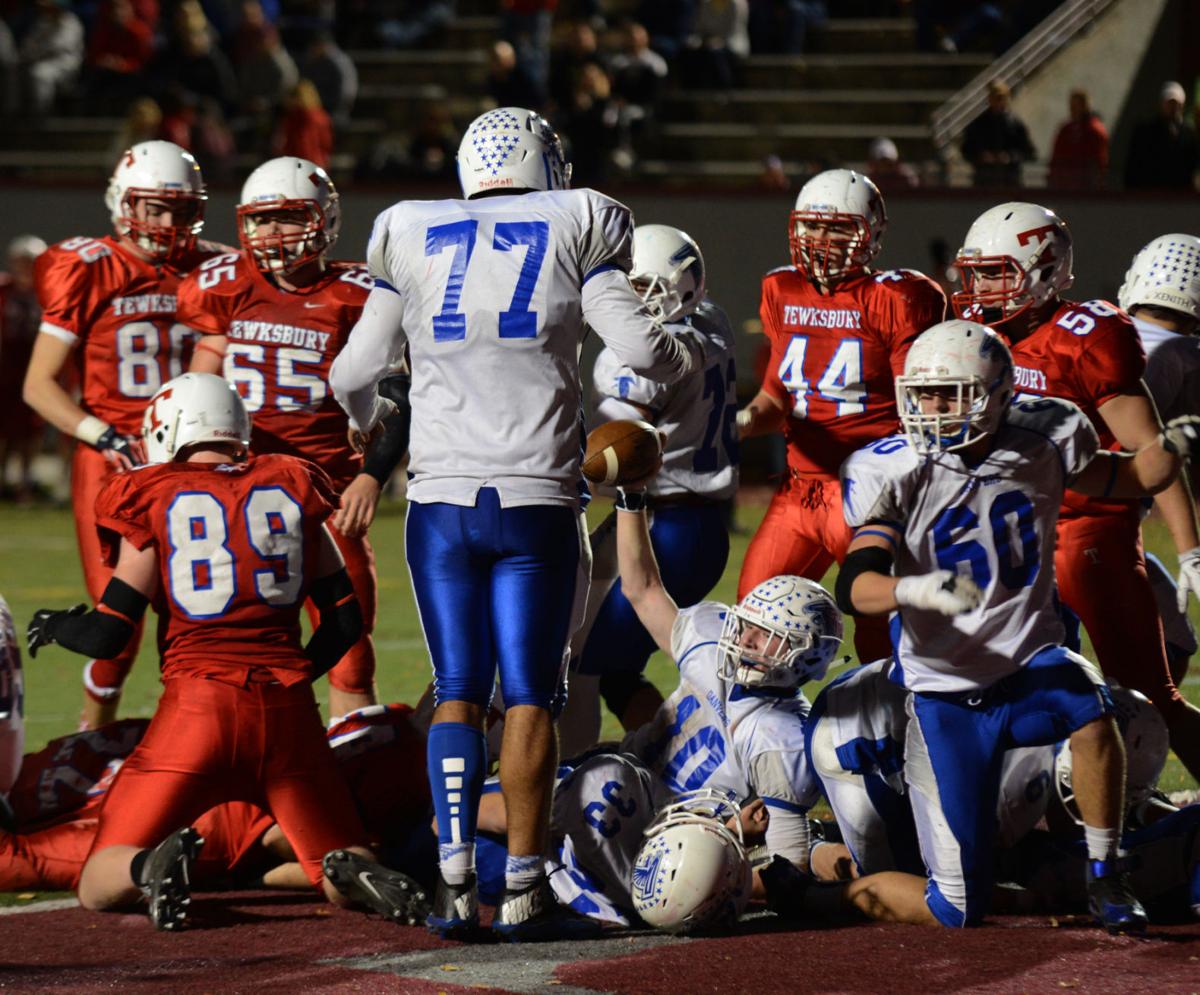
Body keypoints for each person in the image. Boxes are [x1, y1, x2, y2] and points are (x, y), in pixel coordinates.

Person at [327, 106, 701, 941]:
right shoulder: (578, 217)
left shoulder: (406, 227)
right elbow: (641, 353)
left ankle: (456, 884)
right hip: (537, 496)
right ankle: (527, 889)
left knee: (458, 687)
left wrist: (360, 418)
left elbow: (354, 368)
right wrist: (681, 367)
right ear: (545, 162)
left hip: (441, 500)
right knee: (533, 692)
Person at [833, 318, 1199, 931]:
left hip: (1028, 663)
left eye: (951, 394)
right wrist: (913, 587)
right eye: (923, 394)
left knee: (1092, 708)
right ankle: (815, 895)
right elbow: (855, 586)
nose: (932, 408)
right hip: (946, 697)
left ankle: (1105, 875)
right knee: (957, 907)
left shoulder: (1048, 434)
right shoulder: (888, 468)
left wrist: (1171, 448)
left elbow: (1126, 477)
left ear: (999, 393)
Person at [23, 373, 401, 931]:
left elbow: (109, 633)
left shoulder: (152, 493)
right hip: (288, 713)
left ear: (169, 430)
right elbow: (343, 623)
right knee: (336, 861)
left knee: (101, 879)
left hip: (195, 713)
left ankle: (150, 865)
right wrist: (294, 675)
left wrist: (56, 626)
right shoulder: (293, 480)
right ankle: (350, 871)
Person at [952, 203, 1200, 779]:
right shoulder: (974, 336)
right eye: (978, 272)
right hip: (1005, 532)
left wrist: (1188, 547)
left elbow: (1149, 452)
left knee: (1145, 690)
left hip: (1086, 533)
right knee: (1000, 693)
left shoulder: (1088, 336)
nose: (983, 287)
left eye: (998, 272)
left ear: (1044, 271)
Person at [180, 156, 407, 719]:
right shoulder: (226, 287)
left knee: (351, 645)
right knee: (238, 640)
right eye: (260, 220)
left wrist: (370, 475)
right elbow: (199, 391)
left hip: (326, 493)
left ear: (324, 219)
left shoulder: (359, 294)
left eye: (286, 217)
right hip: (242, 495)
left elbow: (401, 397)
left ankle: (356, 766)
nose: (271, 233)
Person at [22, 140, 225, 730]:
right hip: (117, 465)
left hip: (196, 464)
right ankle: (93, 737)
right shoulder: (90, 266)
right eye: (152, 208)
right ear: (122, 203)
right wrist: (104, 435)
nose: (166, 223)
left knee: (199, 618)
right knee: (120, 623)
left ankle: (191, 741)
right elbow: (38, 384)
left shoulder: (215, 268)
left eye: (179, 209)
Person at [735, 168, 945, 664]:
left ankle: (886, 739)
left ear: (871, 234)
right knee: (753, 624)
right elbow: (776, 397)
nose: (821, 240)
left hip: (865, 496)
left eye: (838, 228)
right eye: (812, 226)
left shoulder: (895, 299)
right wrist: (741, 422)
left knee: (880, 643)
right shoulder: (781, 290)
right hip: (797, 491)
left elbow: (917, 413)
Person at [613, 466, 843, 875]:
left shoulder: (781, 739)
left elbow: (788, 870)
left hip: (674, 845)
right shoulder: (712, 644)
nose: (746, 640)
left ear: (805, 657)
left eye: (766, 635)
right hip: (624, 783)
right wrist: (631, 496)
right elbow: (642, 588)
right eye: (748, 625)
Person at [564, 224, 738, 753]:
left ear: (682, 290)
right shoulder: (713, 322)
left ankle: (572, 778)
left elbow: (612, 457)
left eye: (642, 289)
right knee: (617, 670)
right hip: (696, 524)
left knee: (581, 665)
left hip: (663, 527)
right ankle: (679, 766)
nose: (628, 301)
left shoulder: (639, 360)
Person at [1, 702, 433, 897]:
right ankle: (152, 867)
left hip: (179, 741)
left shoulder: (389, 717)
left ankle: (155, 866)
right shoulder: (413, 771)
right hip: (246, 787)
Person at [1119, 233, 1200, 687]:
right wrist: (1192, 550)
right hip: (1099, 531)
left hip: (1035, 515)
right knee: (1171, 647)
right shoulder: (1187, 356)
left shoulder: (1100, 327)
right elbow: (1170, 455)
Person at [0, 235, 48, 502]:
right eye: (20, 261)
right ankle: (5, 479)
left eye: (28, 261)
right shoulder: (4, 289)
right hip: (6, 365)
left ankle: (25, 481)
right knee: (4, 428)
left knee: (31, 430)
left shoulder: (47, 290)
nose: (23, 267)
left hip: (36, 362)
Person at [1124, 81, 1199, 191]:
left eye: (1176, 103)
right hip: (1152, 194)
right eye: (1169, 103)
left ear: (1182, 105)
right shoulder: (1145, 132)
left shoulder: (1189, 134)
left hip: (1180, 196)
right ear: (1161, 104)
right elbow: (1134, 167)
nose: (1173, 107)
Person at [961, 80, 1035, 188]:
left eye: (1001, 98)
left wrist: (1009, 157)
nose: (998, 102)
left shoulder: (1015, 124)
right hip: (984, 180)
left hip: (1009, 181)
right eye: (994, 98)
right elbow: (966, 150)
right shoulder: (978, 124)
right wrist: (981, 156)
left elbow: (1029, 152)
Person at [1047, 89, 1109, 190]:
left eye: (1076, 105)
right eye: (1071, 105)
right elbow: (1057, 155)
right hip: (1065, 185)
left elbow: (1099, 160)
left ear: (1085, 106)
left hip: (1086, 186)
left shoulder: (1094, 129)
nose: (1072, 109)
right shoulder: (1066, 129)